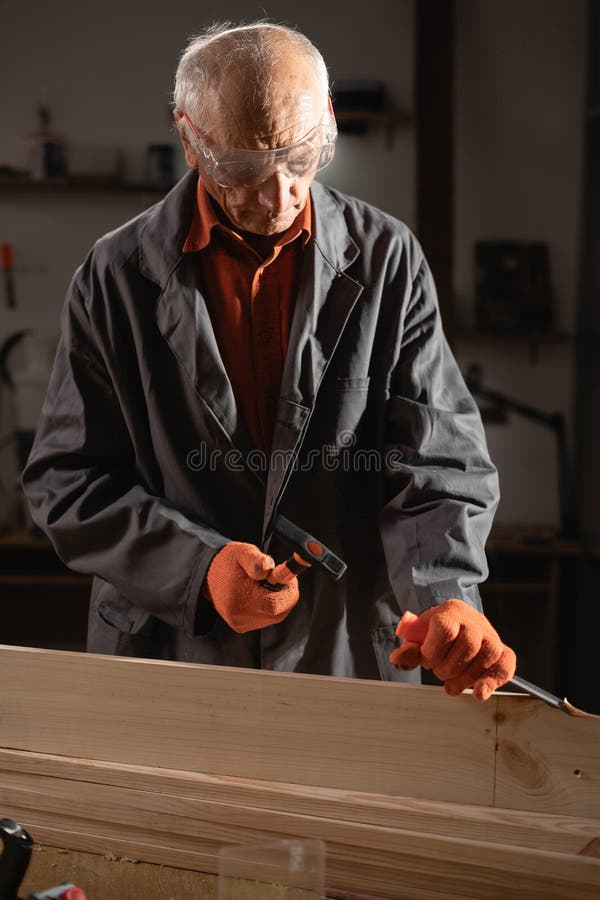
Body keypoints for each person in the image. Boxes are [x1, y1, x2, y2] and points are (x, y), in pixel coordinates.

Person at [22, 21, 516, 698]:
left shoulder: (388, 259)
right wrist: (197, 569)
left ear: (328, 120)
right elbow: (66, 481)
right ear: (190, 139)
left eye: (303, 155)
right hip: (170, 654)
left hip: (340, 650)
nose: (280, 194)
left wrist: (447, 594)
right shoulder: (115, 275)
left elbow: (438, 461)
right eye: (244, 169)